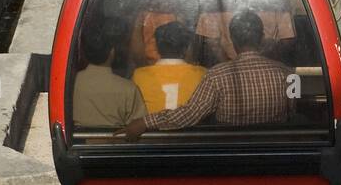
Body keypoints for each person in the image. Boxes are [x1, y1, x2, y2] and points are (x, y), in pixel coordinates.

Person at [118, 10, 291, 139]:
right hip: (273, 154)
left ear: (231, 38)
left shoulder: (217, 76)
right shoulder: (288, 75)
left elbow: (190, 113)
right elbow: (293, 109)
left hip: (230, 155)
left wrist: (145, 123)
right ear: (261, 37)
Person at [73, 16, 146, 129]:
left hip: (78, 144)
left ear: (84, 53)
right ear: (112, 52)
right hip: (113, 145)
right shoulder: (128, 88)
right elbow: (139, 126)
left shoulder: (71, 84)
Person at [131, 21, 207, 113]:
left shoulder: (139, 75)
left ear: (156, 46)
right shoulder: (202, 74)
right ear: (186, 48)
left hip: (150, 127)